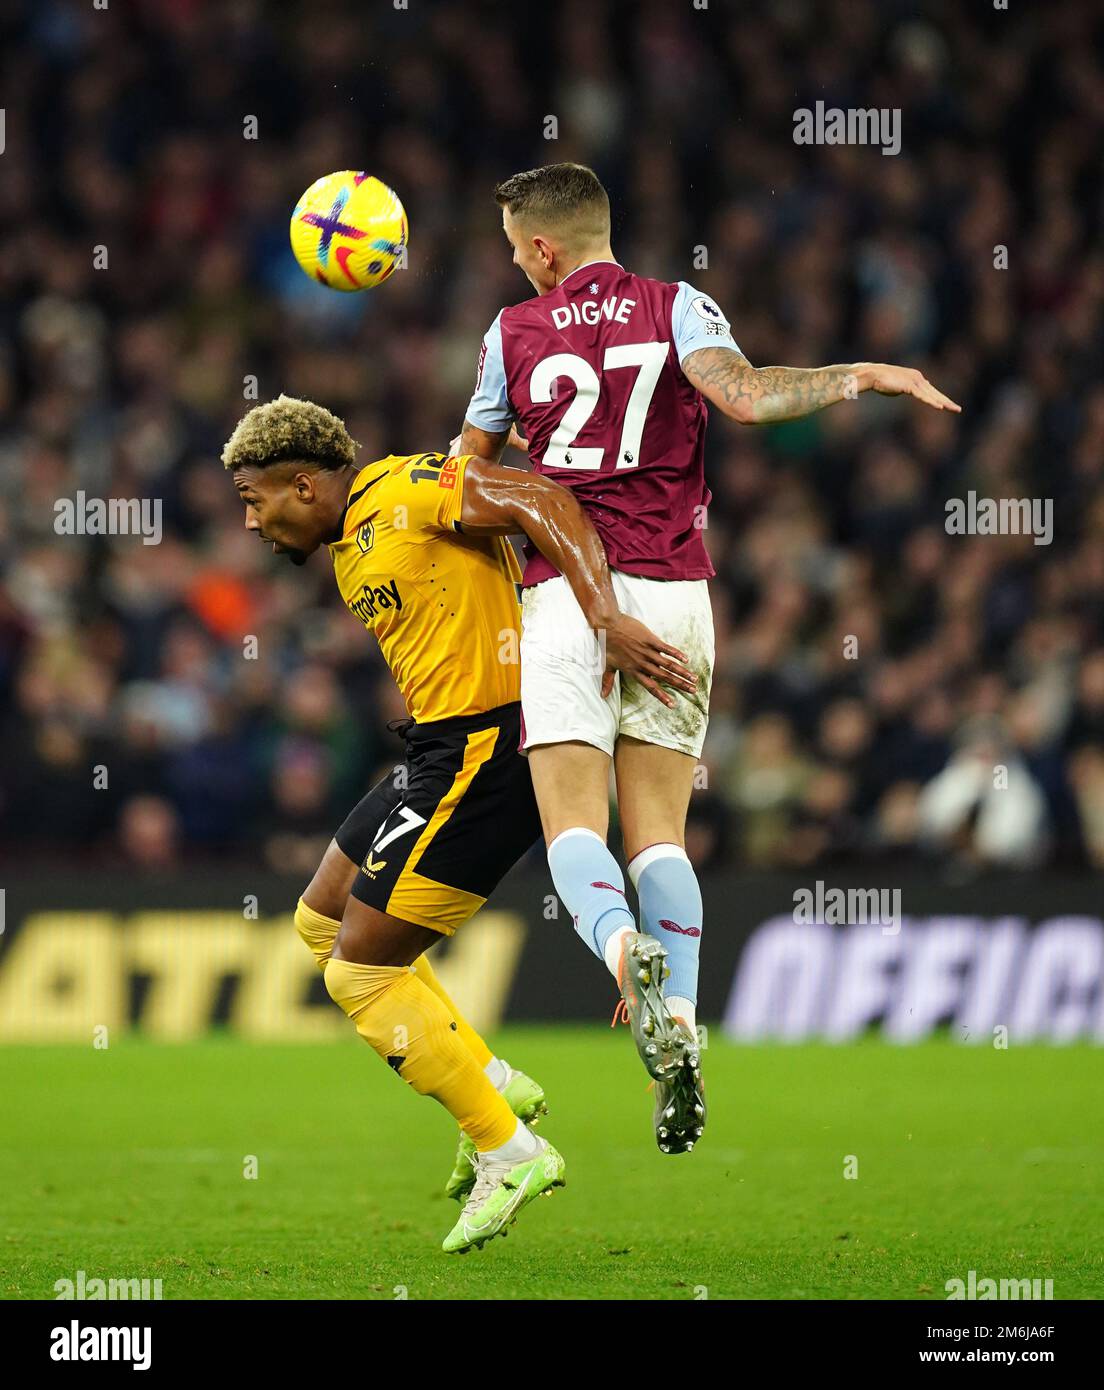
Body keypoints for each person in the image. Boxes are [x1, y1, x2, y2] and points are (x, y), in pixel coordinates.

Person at [458, 162, 961, 1154]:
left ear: (545, 247)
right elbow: (748, 399)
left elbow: (467, 484)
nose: (517, 265)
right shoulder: (680, 305)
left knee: (571, 826)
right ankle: (681, 1021)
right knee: (661, 840)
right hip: (680, 594)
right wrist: (862, 374)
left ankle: (617, 947)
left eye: (518, 249)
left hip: (570, 594)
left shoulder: (511, 337)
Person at [222, 394, 693, 1252]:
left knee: (358, 977)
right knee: (318, 920)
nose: (250, 523)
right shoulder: (352, 540)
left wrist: (603, 618)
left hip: (490, 750)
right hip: (440, 748)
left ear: (302, 484)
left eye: (254, 500)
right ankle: (491, 1080)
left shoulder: (403, 490)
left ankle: (507, 1149)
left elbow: (538, 500)